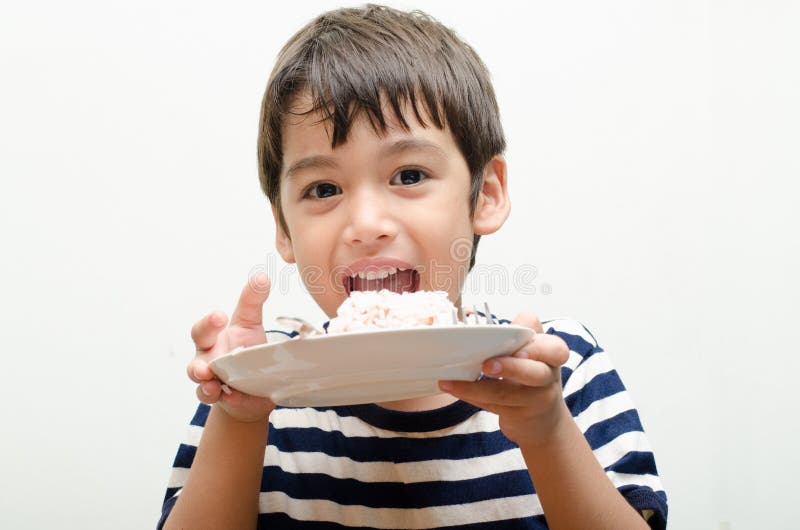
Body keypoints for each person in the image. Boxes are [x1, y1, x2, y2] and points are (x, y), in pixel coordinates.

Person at [159, 5, 667, 529]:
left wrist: (546, 429)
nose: (367, 223)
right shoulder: (261, 381)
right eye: (324, 189)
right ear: (284, 230)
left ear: (485, 195)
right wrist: (239, 414)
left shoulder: (561, 371)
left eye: (408, 175)